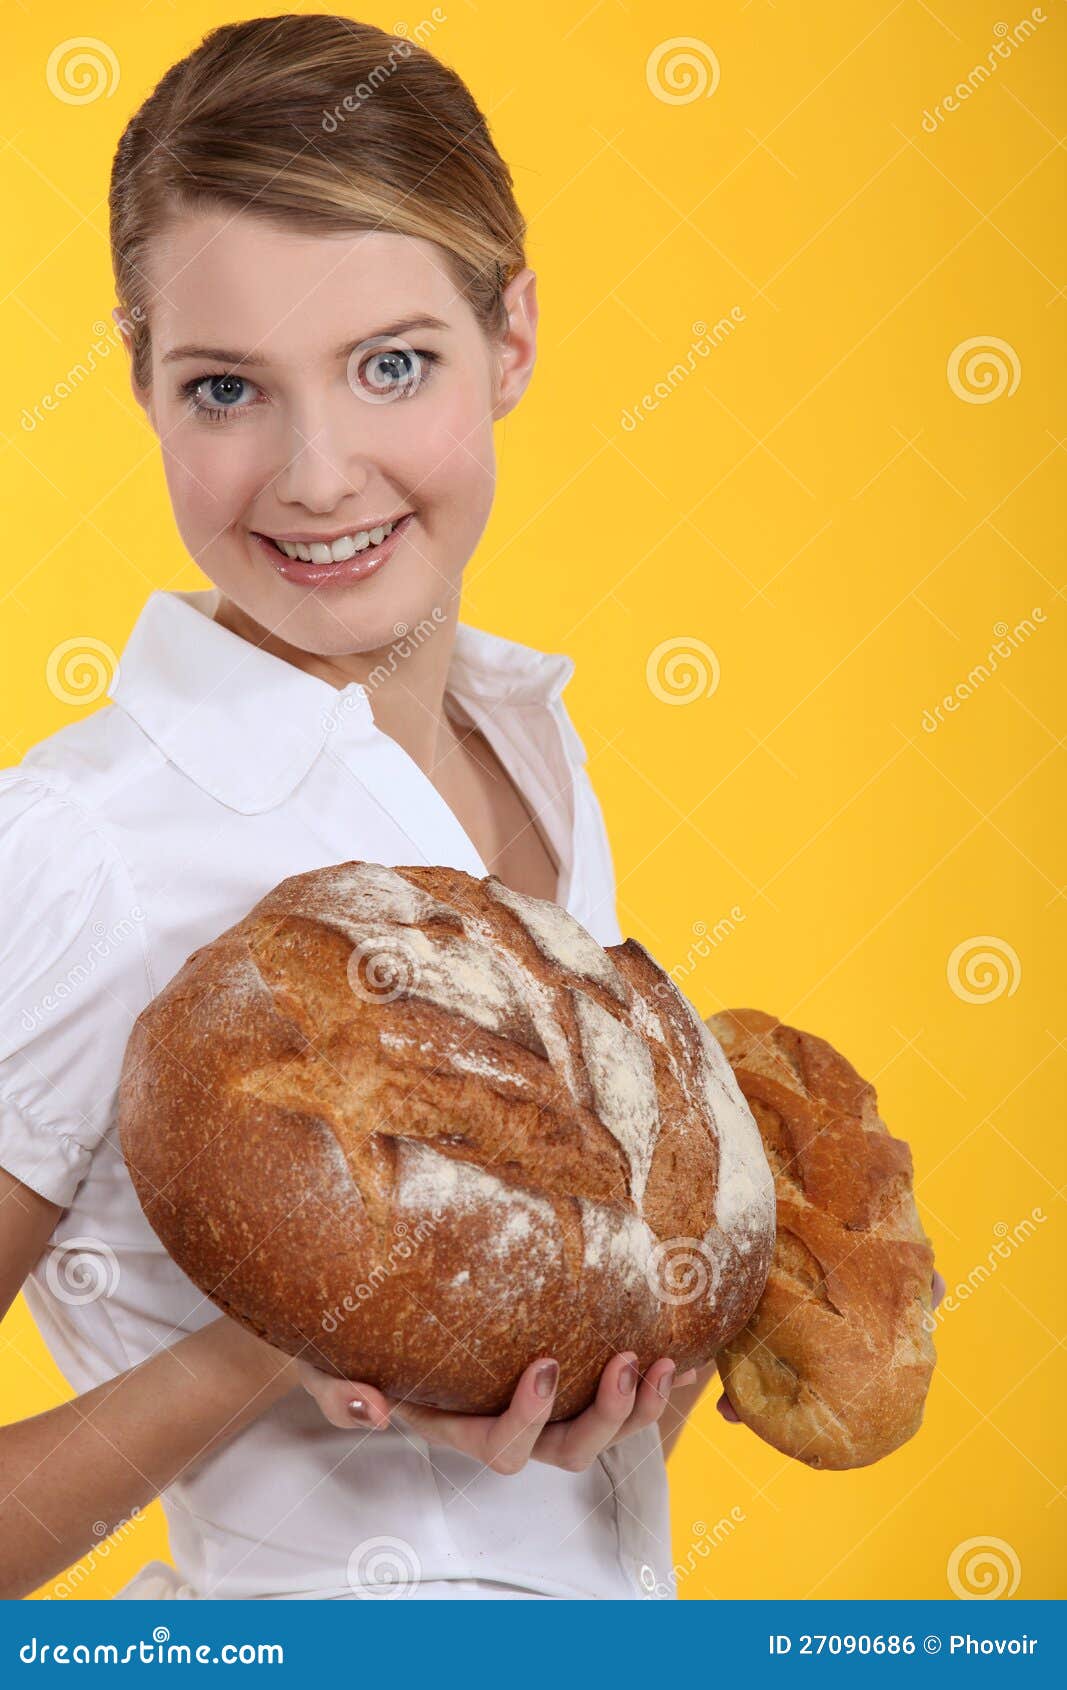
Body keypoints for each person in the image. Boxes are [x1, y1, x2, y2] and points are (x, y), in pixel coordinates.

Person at [0, 13, 707, 1603]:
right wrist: (253, 1354)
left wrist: (626, 1371)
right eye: (228, 387)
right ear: (142, 383)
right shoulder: (79, 848)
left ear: (511, 335)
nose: (318, 475)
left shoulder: (533, 752)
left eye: (392, 365)